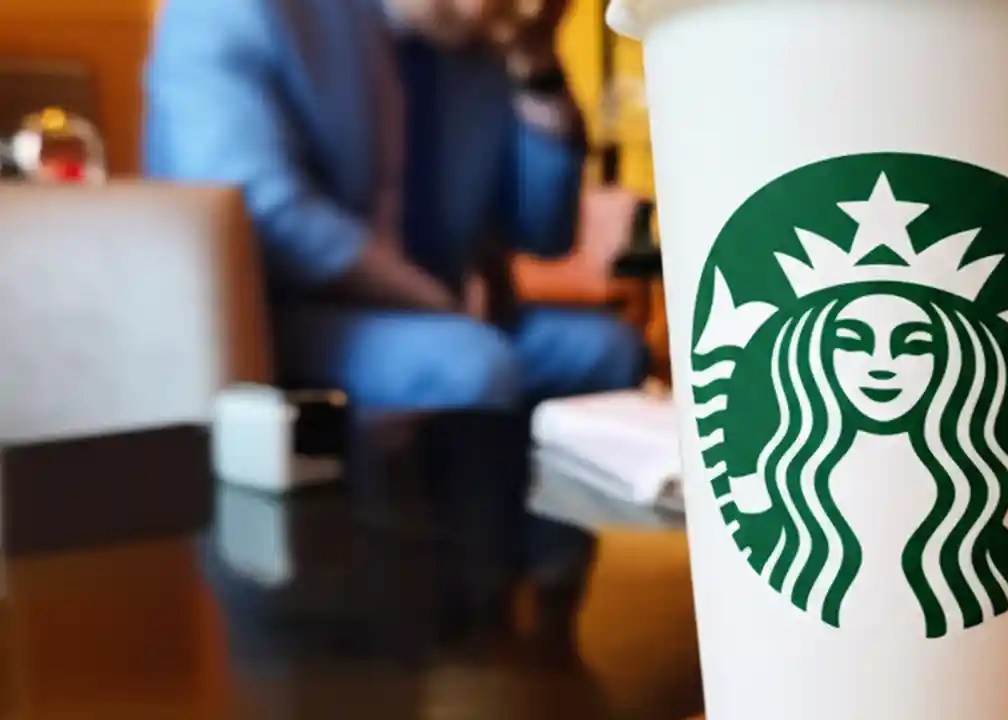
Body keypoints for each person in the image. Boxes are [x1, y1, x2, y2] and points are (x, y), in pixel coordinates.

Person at [145, 0, 645, 647]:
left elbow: (543, 233)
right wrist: (433, 298)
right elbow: (257, 205)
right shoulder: (248, 11)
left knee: (602, 354)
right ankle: (453, 611)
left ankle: (548, 599)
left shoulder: (478, 47)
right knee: (468, 363)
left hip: (451, 316)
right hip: (284, 310)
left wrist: (537, 64)